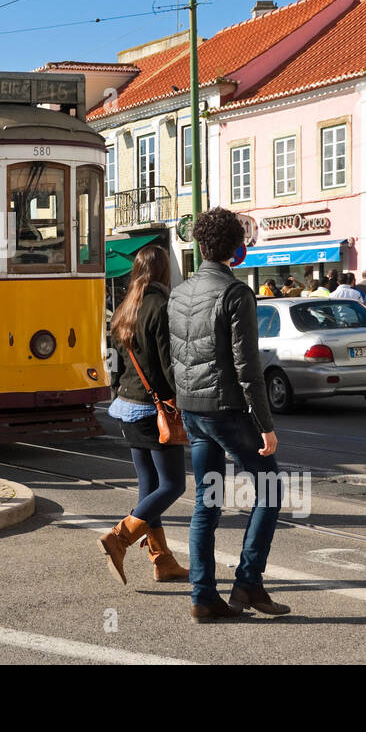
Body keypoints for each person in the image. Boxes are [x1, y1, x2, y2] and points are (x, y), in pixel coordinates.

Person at [169, 207, 286, 622]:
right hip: (226, 409)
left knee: (207, 501)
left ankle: (203, 596)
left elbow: (175, 357)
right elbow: (247, 366)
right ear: (236, 248)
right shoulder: (235, 293)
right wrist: (265, 425)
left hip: (193, 410)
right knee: (271, 487)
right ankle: (248, 582)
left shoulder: (179, 292)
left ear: (201, 245)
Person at [100, 244, 188, 585]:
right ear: (164, 272)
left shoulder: (125, 307)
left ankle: (162, 560)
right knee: (173, 484)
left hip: (126, 404)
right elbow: (170, 363)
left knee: (149, 486)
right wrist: (181, 401)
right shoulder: (162, 307)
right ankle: (119, 537)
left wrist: (115, 387)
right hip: (155, 409)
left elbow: (112, 356)